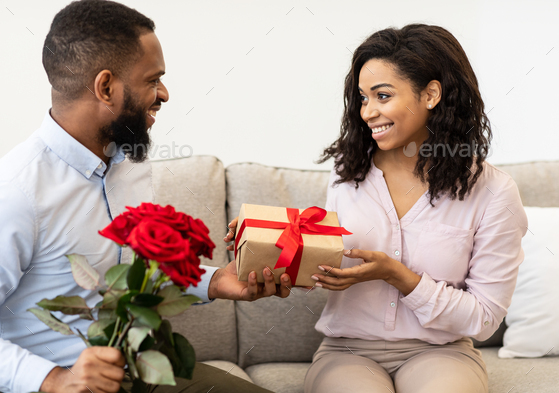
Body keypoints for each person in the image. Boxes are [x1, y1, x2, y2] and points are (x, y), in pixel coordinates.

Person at [0, 1, 292, 392]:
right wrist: (53, 380)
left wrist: (215, 281)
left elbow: (132, 275)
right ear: (106, 87)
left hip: (141, 372)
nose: (165, 94)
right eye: (153, 80)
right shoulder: (16, 191)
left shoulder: (129, 163)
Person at [303, 25, 528, 393]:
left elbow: (485, 319)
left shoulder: (493, 192)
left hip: (442, 353)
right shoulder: (347, 172)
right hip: (348, 352)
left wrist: (400, 277)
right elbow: (327, 262)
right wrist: (284, 253)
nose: (368, 112)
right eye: (362, 98)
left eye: (383, 96)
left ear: (431, 94)